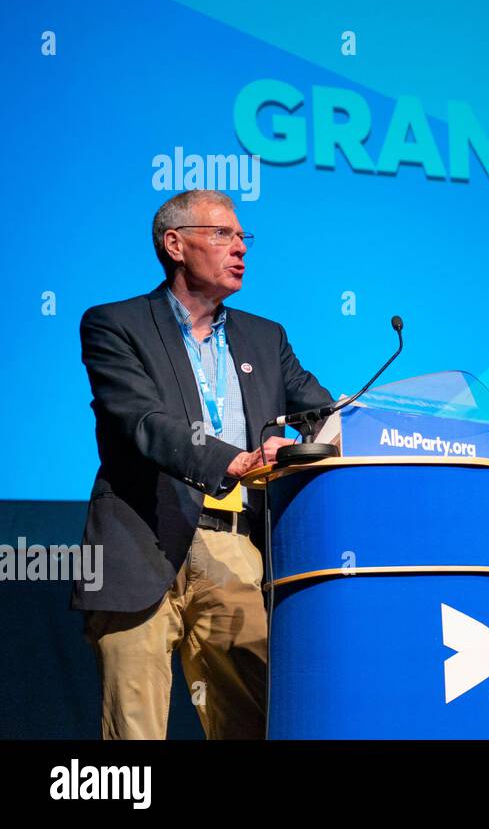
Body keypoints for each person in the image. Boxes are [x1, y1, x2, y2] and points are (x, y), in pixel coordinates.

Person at [72, 188, 334, 739]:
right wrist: (236, 460)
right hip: (141, 542)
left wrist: (303, 447)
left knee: (251, 725)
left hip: (234, 549)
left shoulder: (265, 338)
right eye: (223, 235)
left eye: (244, 237)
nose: (240, 248)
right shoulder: (114, 325)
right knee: (133, 736)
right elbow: (143, 421)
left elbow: (324, 416)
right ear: (175, 244)